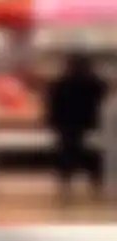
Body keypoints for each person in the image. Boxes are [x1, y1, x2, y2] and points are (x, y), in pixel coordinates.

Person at [47, 54, 108, 201]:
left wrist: (53, 124)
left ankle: (65, 190)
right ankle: (96, 188)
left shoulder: (60, 84)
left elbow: (53, 107)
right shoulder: (97, 84)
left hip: (67, 128)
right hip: (91, 126)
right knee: (93, 159)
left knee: (66, 157)